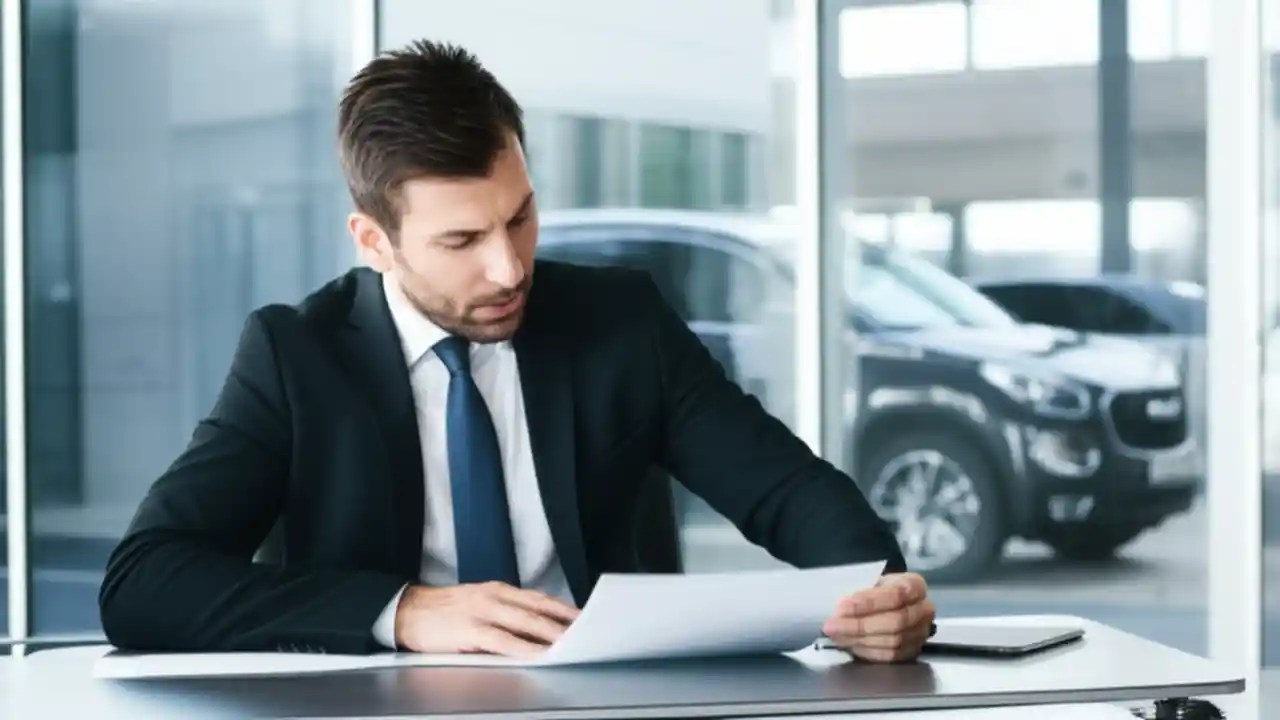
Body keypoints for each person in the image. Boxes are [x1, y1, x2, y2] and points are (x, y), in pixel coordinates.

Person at [98, 39, 936, 663]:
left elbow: (785, 490)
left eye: (521, 217)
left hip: (610, 708)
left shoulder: (619, 320)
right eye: (462, 239)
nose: (509, 268)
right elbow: (145, 581)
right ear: (374, 241)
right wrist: (404, 612)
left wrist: (879, 588)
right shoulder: (295, 356)